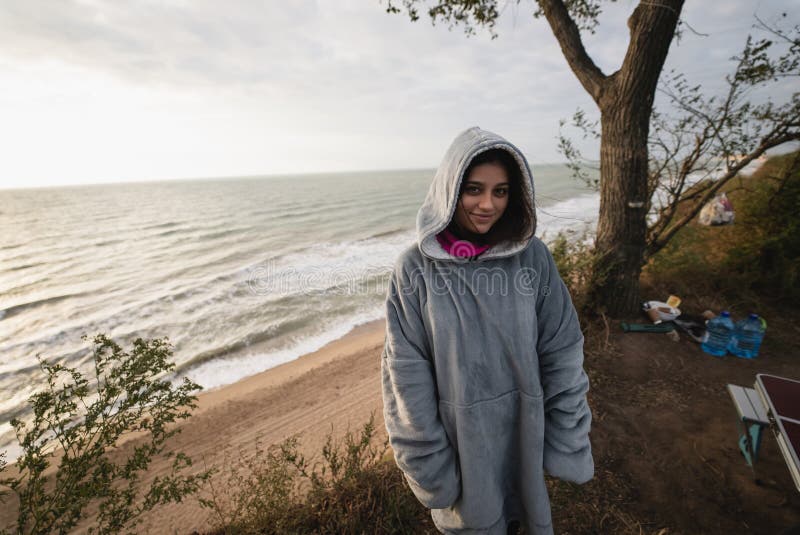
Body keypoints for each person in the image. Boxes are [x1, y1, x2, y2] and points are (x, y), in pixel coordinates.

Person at [381, 127, 593, 535]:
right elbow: (405, 378)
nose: (487, 204)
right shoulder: (415, 269)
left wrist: (566, 435)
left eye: (501, 191)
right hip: (461, 459)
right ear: (448, 189)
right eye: (474, 189)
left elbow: (562, 349)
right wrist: (431, 468)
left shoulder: (531, 258)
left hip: (524, 446)